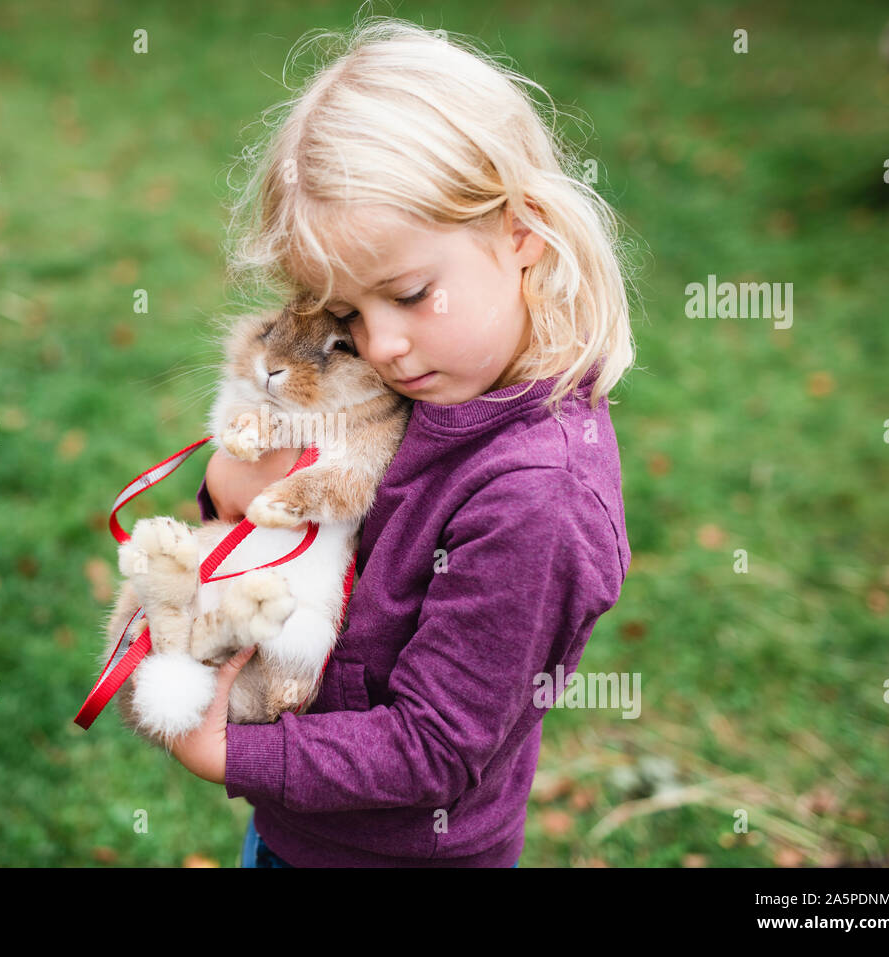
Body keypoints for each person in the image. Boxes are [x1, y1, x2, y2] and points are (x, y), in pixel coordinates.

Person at [164, 17, 636, 867]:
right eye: (346, 313)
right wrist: (234, 482)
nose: (379, 347)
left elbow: (437, 748)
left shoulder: (539, 498)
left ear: (522, 229)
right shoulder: (437, 372)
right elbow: (304, 517)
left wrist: (233, 755)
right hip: (298, 825)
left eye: (412, 294)